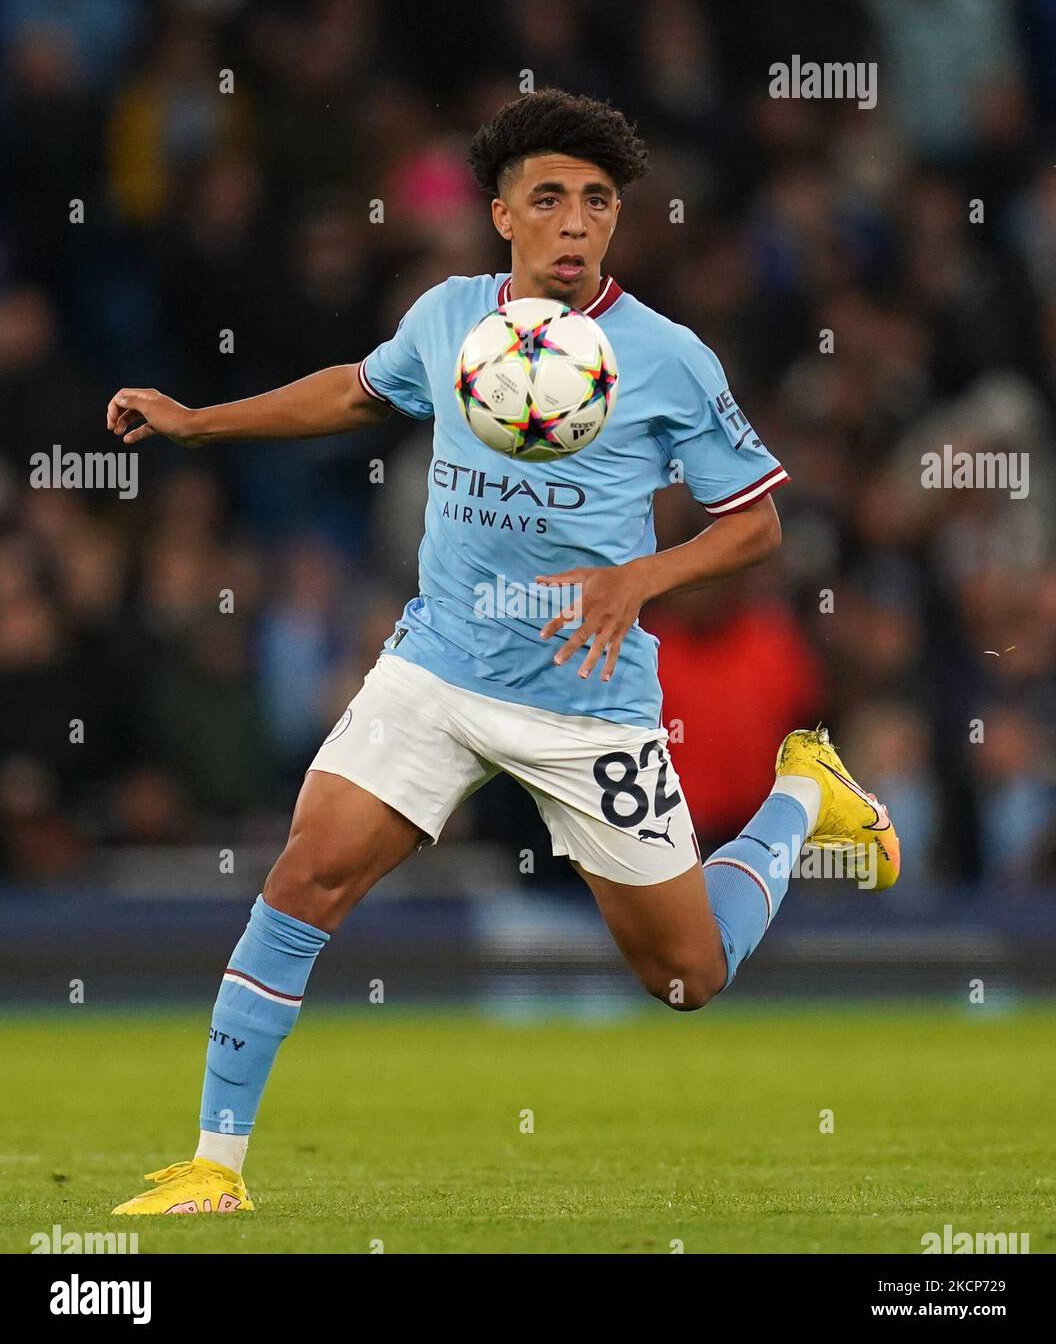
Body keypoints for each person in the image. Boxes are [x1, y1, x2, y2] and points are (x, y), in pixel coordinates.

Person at [107, 90, 899, 1215]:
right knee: (305, 873)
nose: (576, 223)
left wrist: (640, 577)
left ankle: (796, 799)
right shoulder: (448, 319)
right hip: (438, 667)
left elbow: (757, 521)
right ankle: (214, 1168)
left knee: (687, 978)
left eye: (598, 201)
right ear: (501, 215)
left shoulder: (667, 357)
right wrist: (199, 421)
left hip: (589, 702)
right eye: (550, 199)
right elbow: (356, 391)